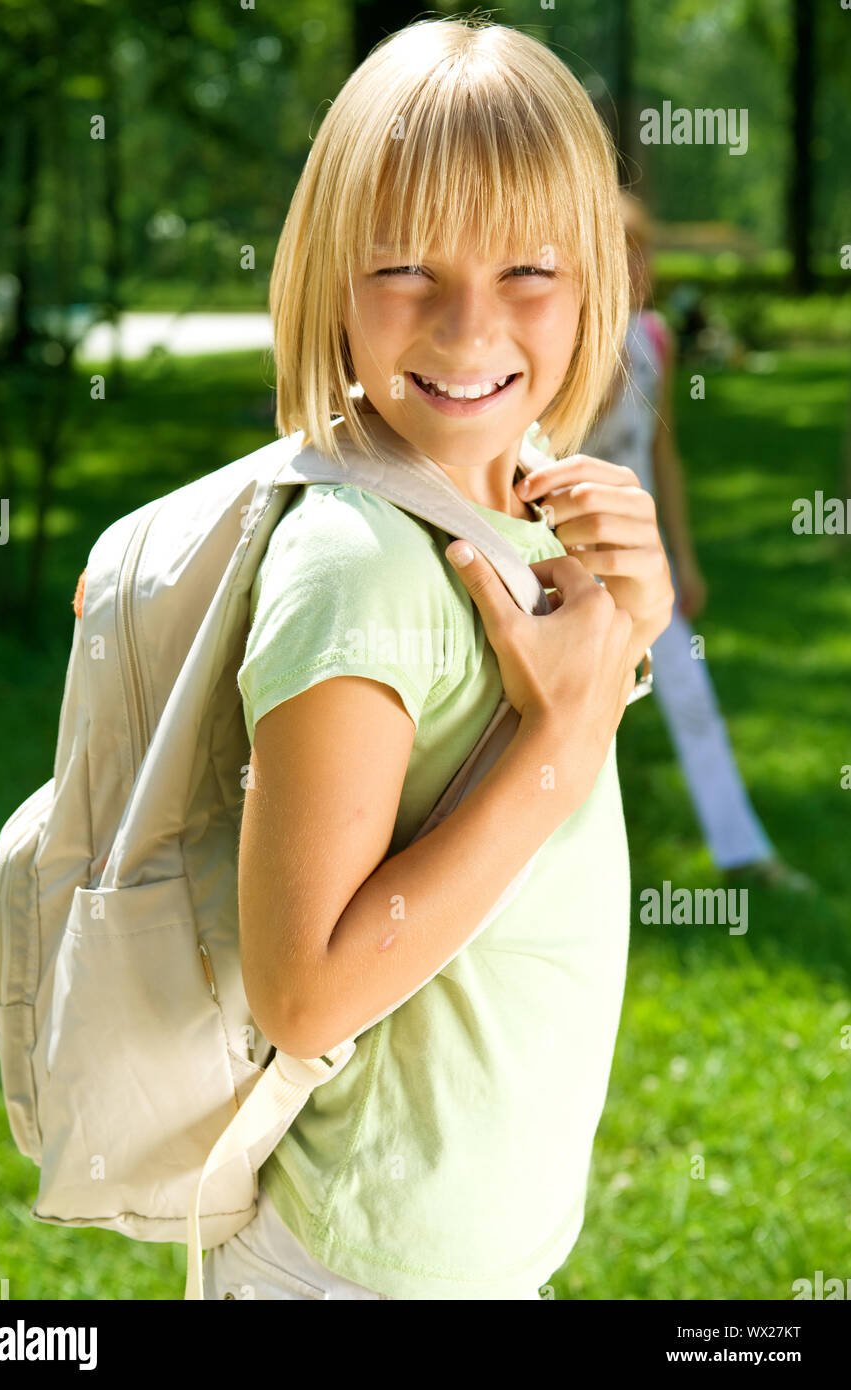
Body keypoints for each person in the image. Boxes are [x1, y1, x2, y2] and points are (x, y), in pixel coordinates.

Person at [201, 17, 674, 1301]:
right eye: (405, 266)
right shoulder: (356, 559)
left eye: (530, 267)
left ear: (595, 283)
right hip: (346, 1271)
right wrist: (562, 738)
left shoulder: (512, 513)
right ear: (326, 282)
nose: (470, 330)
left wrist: (617, 635)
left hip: (459, 1257)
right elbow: (303, 997)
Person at [570, 191, 811, 890]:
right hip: (563, 564)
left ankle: (744, 851)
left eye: (639, 250)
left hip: (642, 564)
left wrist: (683, 557)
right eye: (615, 250)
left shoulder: (652, 339)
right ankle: (557, 882)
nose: (631, 265)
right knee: (567, 724)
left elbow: (661, 454)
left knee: (692, 700)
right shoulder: (555, 339)